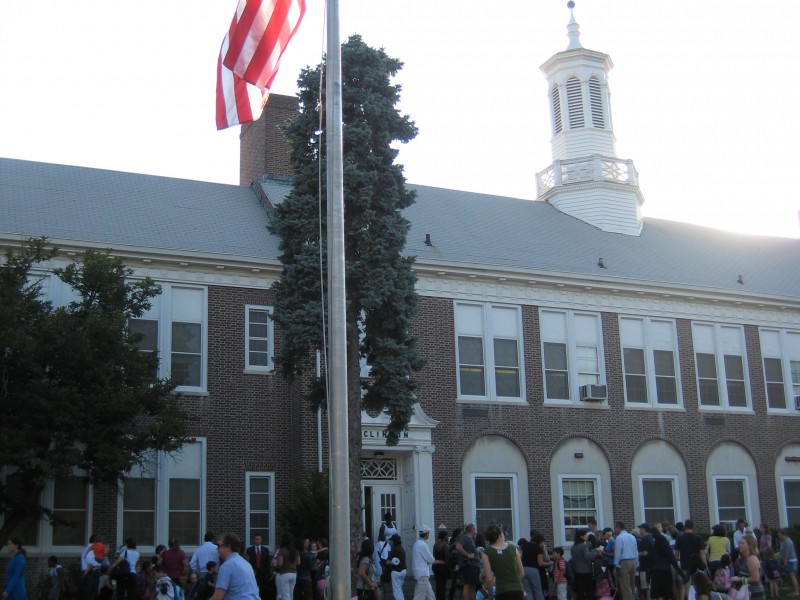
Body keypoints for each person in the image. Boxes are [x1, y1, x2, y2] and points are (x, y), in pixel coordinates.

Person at [209, 533, 260, 600]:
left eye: (218, 545)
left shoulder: (226, 566)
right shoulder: (246, 564)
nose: (217, 549)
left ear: (228, 547)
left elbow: (217, 598)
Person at [480, 524, 524, 600]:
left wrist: (490, 595)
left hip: (502, 590)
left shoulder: (486, 553)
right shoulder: (514, 549)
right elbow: (521, 573)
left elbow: (489, 579)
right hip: (518, 589)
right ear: (501, 535)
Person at [650, 531, 683, 600]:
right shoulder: (666, 549)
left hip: (655, 572)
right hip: (665, 571)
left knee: (657, 593)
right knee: (666, 593)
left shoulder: (653, 549)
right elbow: (673, 560)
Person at [732, 536, 764, 600]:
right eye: (739, 543)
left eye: (742, 543)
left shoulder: (751, 559)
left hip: (753, 594)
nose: (740, 545)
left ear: (749, 545)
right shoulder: (746, 559)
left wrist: (740, 579)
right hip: (749, 593)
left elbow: (755, 578)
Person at [570, 529, 598, 600]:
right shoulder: (584, 546)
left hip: (577, 570)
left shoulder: (573, 547)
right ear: (581, 536)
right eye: (585, 535)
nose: (587, 536)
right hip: (587, 570)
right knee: (589, 590)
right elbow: (588, 556)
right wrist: (595, 550)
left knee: (580, 590)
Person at [614, 521, 639, 600]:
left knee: (625, 585)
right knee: (632, 584)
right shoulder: (632, 537)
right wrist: (637, 562)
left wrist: (616, 564)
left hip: (624, 562)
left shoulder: (619, 538)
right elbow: (636, 550)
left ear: (618, 527)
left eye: (615, 528)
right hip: (633, 561)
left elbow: (618, 552)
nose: (614, 530)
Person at [456, 524, 482, 600]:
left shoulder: (470, 539)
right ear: (472, 529)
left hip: (474, 566)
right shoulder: (465, 537)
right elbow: (458, 546)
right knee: (468, 585)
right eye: (475, 529)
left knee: (472, 586)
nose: (476, 531)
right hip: (469, 565)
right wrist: (467, 555)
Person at [191, 533, 220, 600]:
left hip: (202, 574)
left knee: (202, 594)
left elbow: (192, 563)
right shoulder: (217, 549)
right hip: (215, 574)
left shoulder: (199, 549)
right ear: (212, 539)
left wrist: (196, 572)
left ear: (204, 539)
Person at [412, 525, 436, 600]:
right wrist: (434, 560)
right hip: (422, 574)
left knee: (430, 596)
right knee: (419, 597)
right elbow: (430, 559)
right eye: (428, 533)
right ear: (426, 534)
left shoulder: (417, 543)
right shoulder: (423, 545)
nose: (429, 534)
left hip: (421, 574)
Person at [273, 533, 300, 600]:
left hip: (284, 573)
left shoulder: (282, 550)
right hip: (294, 573)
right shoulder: (295, 550)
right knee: (291, 595)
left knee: (285, 595)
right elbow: (298, 563)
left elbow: (280, 564)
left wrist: (275, 565)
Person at [245, 534, 271, 600]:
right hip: (253, 572)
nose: (257, 541)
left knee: (262, 589)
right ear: (254, 540)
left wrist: (267, 573)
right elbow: (248, 562)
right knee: (253, 587)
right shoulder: (249, 550)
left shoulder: (265, 550)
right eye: (256, 539)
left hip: (263, 572)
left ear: (261, 540)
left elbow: (267, 562)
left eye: (258, 539)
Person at [777, 529, 799, 597]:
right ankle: (793, 590)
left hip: (790, 561)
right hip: (788, 561)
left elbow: (787, 553)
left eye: (780, 535)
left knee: (792, 576)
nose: (779, 537)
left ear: (784, 534)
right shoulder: (783, 541)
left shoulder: (788, 541)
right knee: (790, 576)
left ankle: (796, 591)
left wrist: (785, 562)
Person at [387, 533, 408, 600]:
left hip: (396, 572)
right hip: (403, 571)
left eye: (392, 540)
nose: (391, 542)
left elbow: (388, 562)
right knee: (399, 589)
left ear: (394, 541)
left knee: (396, 590)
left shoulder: (393, 549)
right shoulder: (402, 548)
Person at [432, 529, 451, 600]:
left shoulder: (435, 545)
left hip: (435, 566)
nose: (448, 537)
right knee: (443, 585)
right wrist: (449, 569)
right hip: (442, 567)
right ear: (444, 537)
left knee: (438, 585)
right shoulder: (446, 546)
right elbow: (447, 559)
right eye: (447, 535)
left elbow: (434, 555)